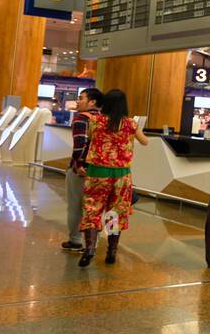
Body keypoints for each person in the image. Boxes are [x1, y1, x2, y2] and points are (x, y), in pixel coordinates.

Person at [78, 89, 149, 267]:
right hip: (121, 175)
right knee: (114, 213)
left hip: (97, 173)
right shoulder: (130, 124)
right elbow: (145, 141)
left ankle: (90, 249)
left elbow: (91, 138)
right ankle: (111, 252)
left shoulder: (95, 121)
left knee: (92, 210)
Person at [61, 87, 103, 252]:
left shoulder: (81, 119)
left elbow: (80, 144)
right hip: (99, 170)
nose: (78, 101)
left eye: (81, 98)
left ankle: (75, 240)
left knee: (75, 206)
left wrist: (78, 164)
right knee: (95, 208)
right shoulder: (104, 119)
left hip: (81, 170)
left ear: (92, 102)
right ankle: (92, 242)